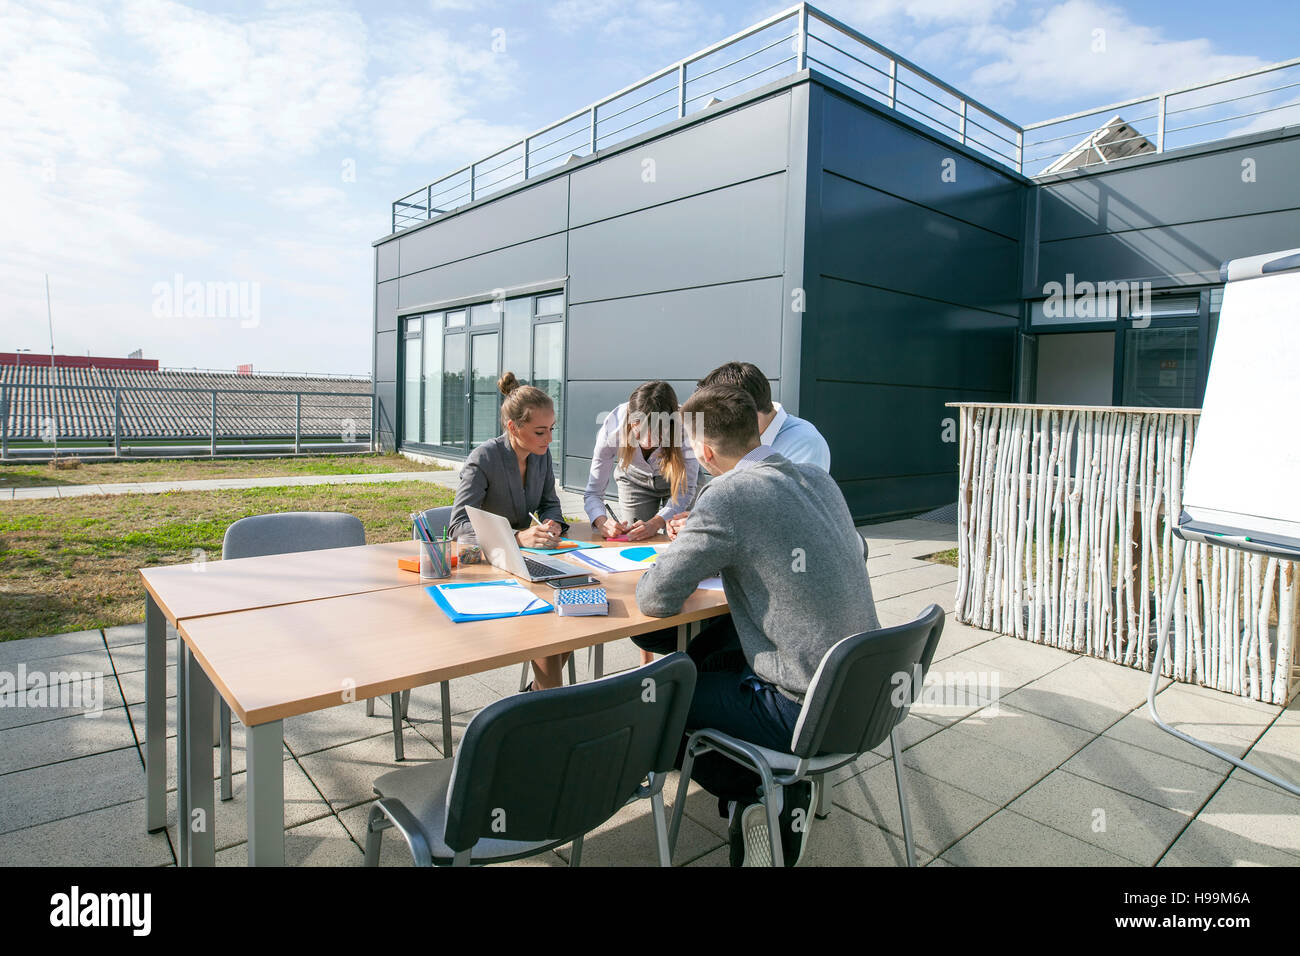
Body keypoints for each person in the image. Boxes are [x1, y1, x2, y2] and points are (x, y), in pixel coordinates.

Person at [635, 384, 880, 866]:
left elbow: (655, 597)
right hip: (865, 697)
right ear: (755, 428)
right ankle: (764, 791)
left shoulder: (728, 494)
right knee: (708, 656)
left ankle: (767, 792)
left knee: (658, 701)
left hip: (803, 711)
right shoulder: (818, 480)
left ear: (704, 451)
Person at [448, 371, 570, 689]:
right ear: (513, 427)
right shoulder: (484, 459)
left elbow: (550, 504)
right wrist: (517, 537)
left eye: (551, 430)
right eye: (540, 431)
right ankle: (546, 703)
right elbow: (457, 530)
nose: (549, 440)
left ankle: (538, 696)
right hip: (484, 569)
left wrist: (553, 522)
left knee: (576, 609)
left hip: (525, 564)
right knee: (549, 621)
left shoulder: (541, 458)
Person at [666, 361, 832, 542]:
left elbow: (784, 519)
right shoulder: (739, 437)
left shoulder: (805, 443)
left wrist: (709, 527)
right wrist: (702, 521)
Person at [584, 381, 699, 542]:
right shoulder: (613, 426)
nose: (648, 441)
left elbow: (684, 492)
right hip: (634, 479)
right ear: (631, 421)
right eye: (639, 433)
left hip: (679, 480)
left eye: (659, 434)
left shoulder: (686, 427)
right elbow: (593, 492)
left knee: (679, 538)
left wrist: (656, 523)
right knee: (635, 537)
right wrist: (602, 522)